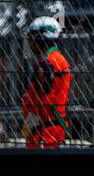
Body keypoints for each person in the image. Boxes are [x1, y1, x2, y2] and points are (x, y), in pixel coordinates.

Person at [21, 15, 71, 148]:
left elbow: (44, 99)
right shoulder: (53, 59)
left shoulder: (48, 63)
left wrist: (29, 124)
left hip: (44, 128)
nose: (29, 43)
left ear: (40, 39)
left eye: (31, 38)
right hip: (48, 125)